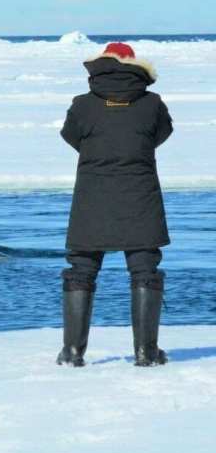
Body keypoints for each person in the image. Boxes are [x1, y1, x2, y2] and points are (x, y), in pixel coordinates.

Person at [58, 42, 173, 368]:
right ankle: (146, 353)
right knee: (145, 269)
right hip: (140, 195)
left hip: (92, 196)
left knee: (81, 269)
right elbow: (161, 134)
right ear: (133, 64)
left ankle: (72, 353)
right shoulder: (152, 103)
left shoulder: (82, 105)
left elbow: (71, 137)